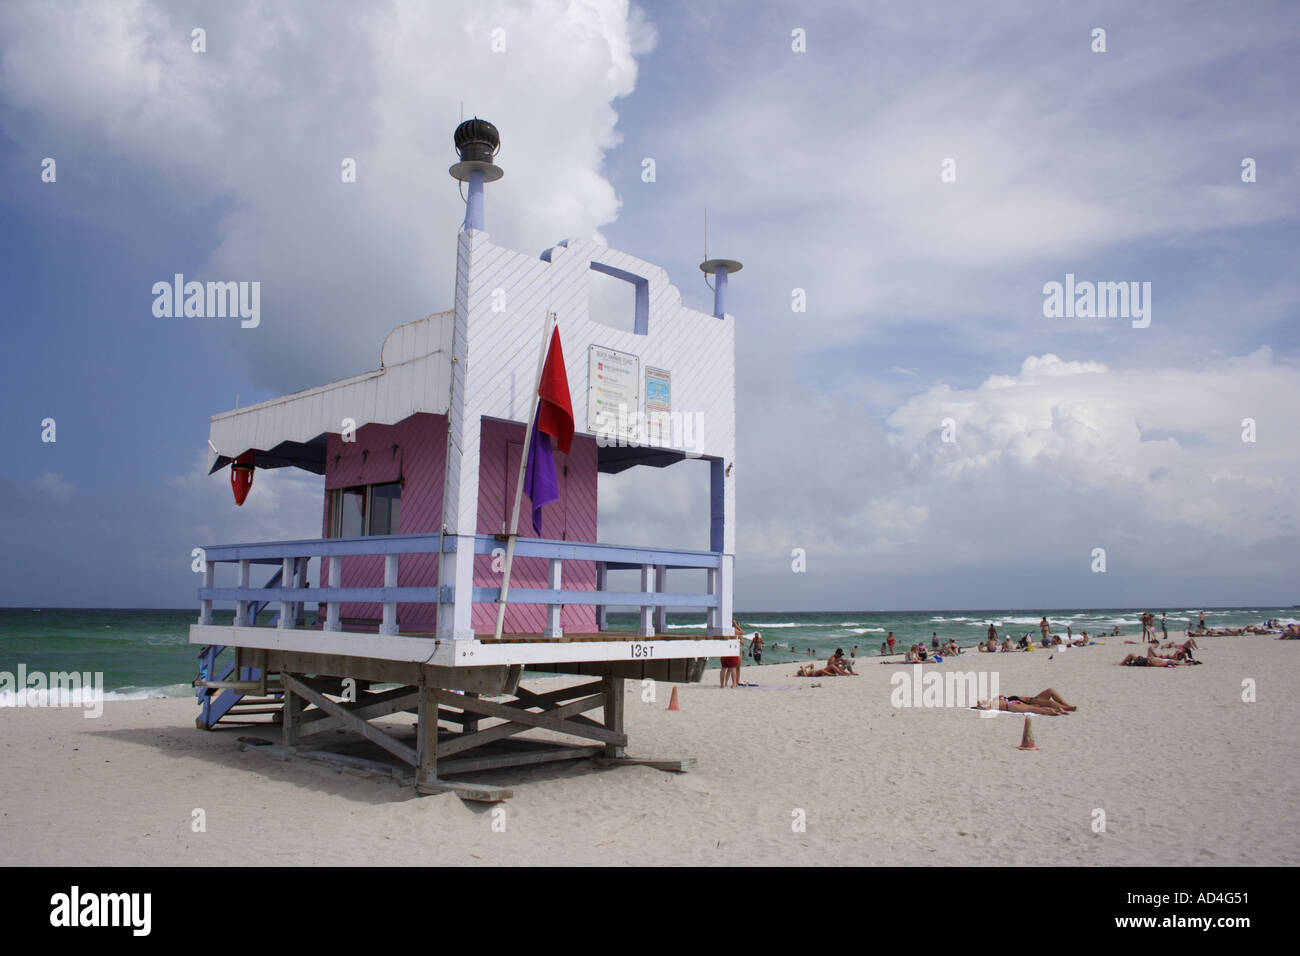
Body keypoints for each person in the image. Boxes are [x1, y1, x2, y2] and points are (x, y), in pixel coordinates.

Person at [976, 689, 1077, 716]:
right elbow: (985, 707)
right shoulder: (995, 702)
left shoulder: (997, 700)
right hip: (1017, 704)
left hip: (1018, 703)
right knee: (1036, 707)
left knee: (1035, 708)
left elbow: (985, 706)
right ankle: (1060, 709)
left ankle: (1063, 708)